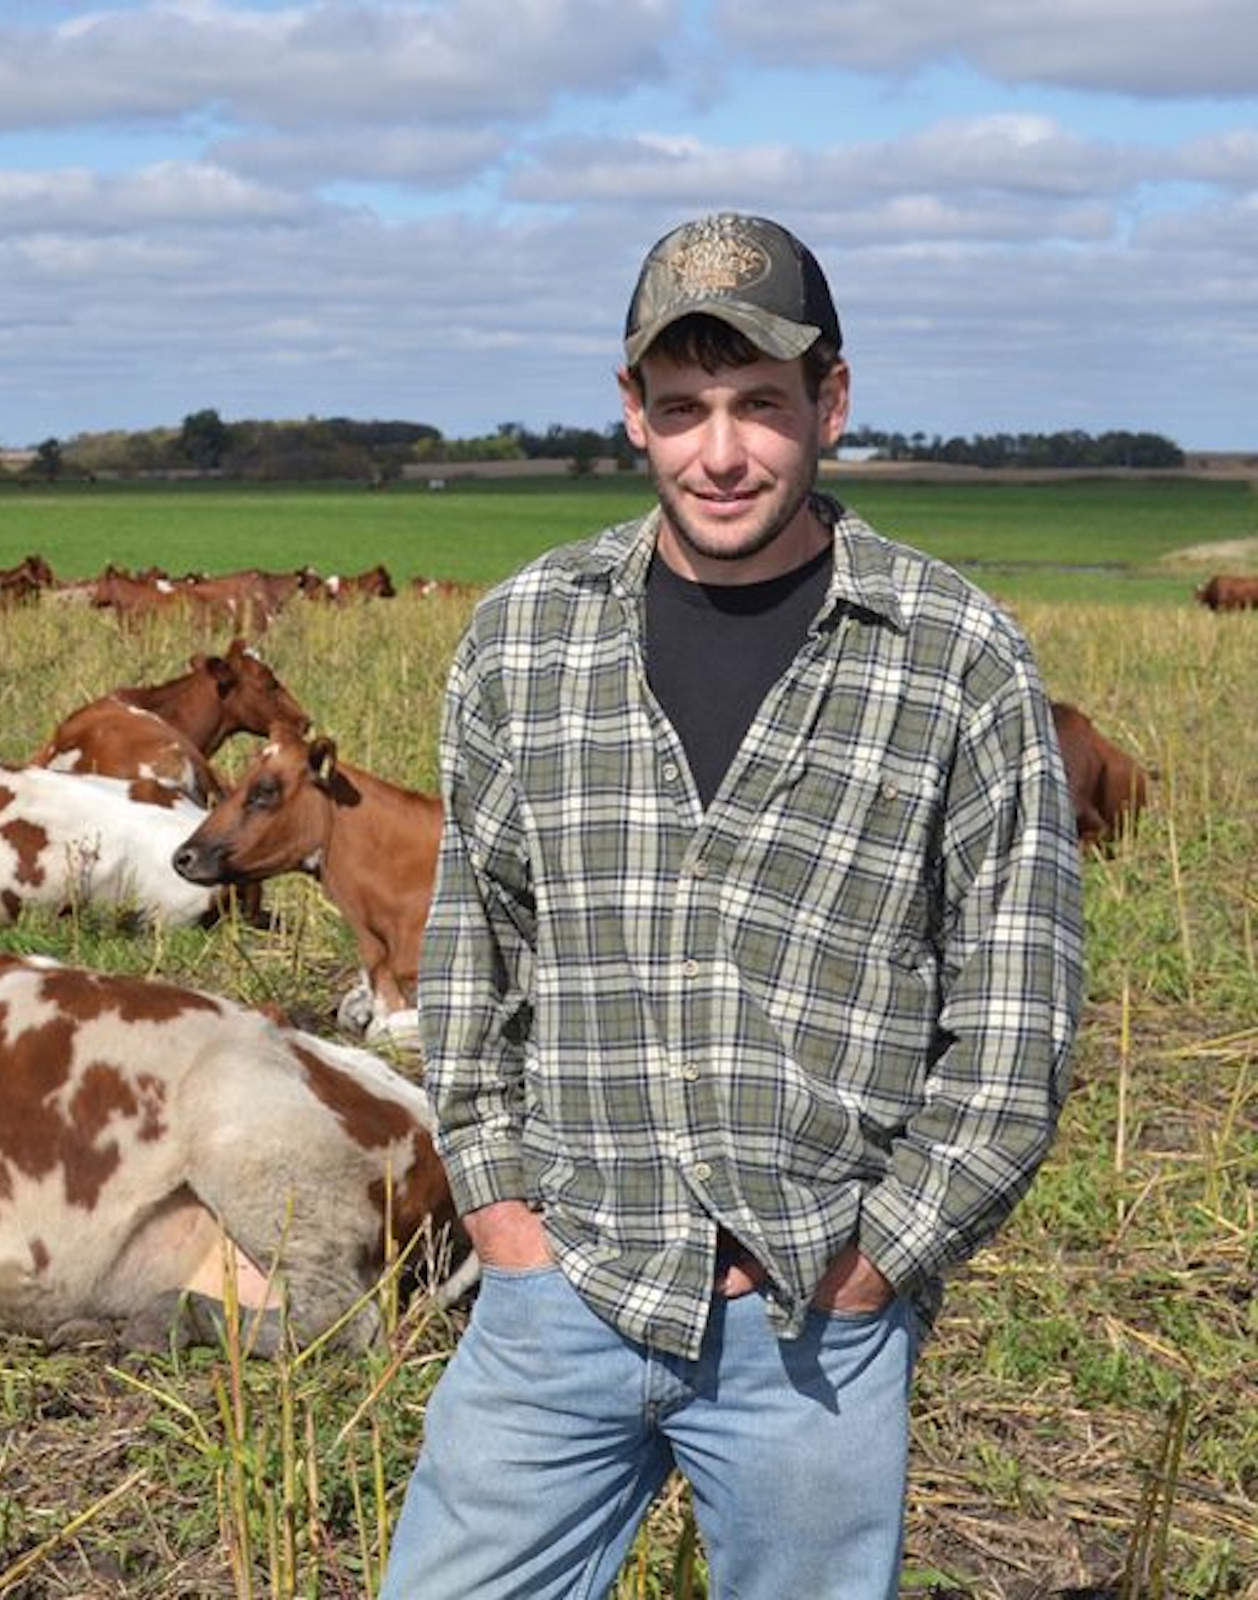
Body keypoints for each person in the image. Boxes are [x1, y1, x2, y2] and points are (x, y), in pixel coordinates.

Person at [379, 212, 1084, 1597]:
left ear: (831, 401)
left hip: (812, 1333)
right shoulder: (526, 636)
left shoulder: (954, 660)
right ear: (631, 411)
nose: (721, 451)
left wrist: (881, 1260)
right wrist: (503, 1220)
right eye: (685, 406)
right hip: (559, 1294)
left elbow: (1017, 1024)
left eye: (760, 405)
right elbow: (475, 953)